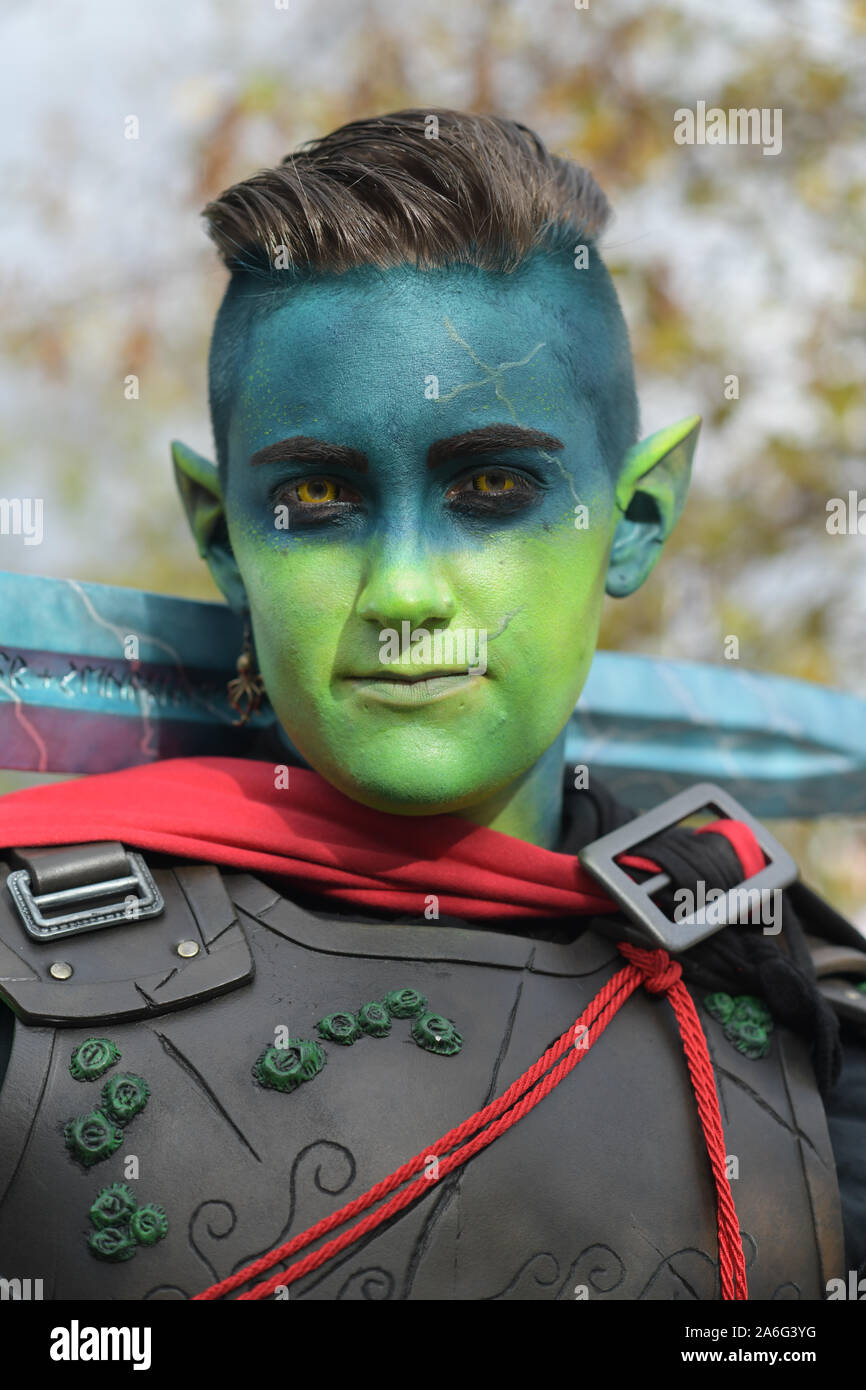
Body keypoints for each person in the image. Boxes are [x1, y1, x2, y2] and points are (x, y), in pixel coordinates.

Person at [0, 109, 863, 1302]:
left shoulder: (801, 1028)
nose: (402, 589)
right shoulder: (18, 991)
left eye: (493, 486)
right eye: (316, 493)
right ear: (222, 536)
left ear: (635, 520)